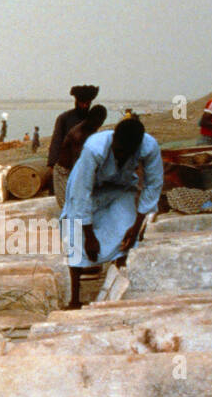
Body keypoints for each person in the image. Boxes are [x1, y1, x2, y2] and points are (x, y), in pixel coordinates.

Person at [60, 117, 163, 309]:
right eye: (118, 151)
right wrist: (89, 235)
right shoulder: (95, 148)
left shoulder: (149, 147)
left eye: (126, 153)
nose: (121, 156)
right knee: (74, 233)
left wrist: (136, 226)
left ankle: (118, 280)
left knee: (126, 227)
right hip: (87, 187)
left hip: (120, 186)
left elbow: (153, 186)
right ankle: (75, 299)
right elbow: (82, 193)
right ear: (113, 139)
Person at [53, 104, 107, 208]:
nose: (100, 124)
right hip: (63, 173)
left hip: (74, 171)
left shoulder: (91, 130)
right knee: (68, 209)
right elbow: (77, 163)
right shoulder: (78, 134)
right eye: (99, 121)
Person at [47, 85, 99, 170]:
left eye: (88, 103)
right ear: (77, 102)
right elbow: (56, 141)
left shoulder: (92, 119)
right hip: (67, 163)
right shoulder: (64, 118)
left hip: (86, 163)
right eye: (82, 103)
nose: (85, 106)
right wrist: (52, 164)